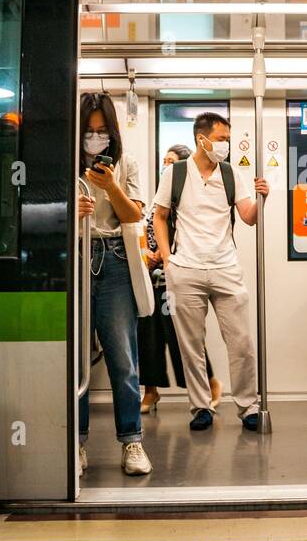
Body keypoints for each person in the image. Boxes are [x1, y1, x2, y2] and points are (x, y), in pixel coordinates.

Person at [152, 112, 269, 431]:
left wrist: (262, 199)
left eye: (228, 140)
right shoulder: (175, 174)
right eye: (221, 139)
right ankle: (201, 406)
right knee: (190, 345)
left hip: (225, 267)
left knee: (242, 342)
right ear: (201, 140)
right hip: (185, 268)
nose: (226, 145)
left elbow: (248, 217)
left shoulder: (232, 174)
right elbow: (160, 216)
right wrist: (166, 258)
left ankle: (247, 406)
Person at [78, 91, 152, 476]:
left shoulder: (127, 163)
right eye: (89, 132)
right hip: (75, 257)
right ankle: (76, 443)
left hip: (116, 259)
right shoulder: (65, 162)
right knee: (76, 359)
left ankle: (132, 441)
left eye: (101, 131)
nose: (95, 139)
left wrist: (110, 188)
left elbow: (133, 216)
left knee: (123, 355)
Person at [138, 144, 222, 413]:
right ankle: (150, 391)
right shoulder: (159, 196)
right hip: (151, 277)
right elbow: (146, 228)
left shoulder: (188, 197)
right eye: (164, 161)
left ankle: (210, 384)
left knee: (182, 336)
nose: (166, 166)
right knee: (148, 336)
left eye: (171, 161)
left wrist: (165, 256)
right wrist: (148, 254)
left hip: (179, 273)